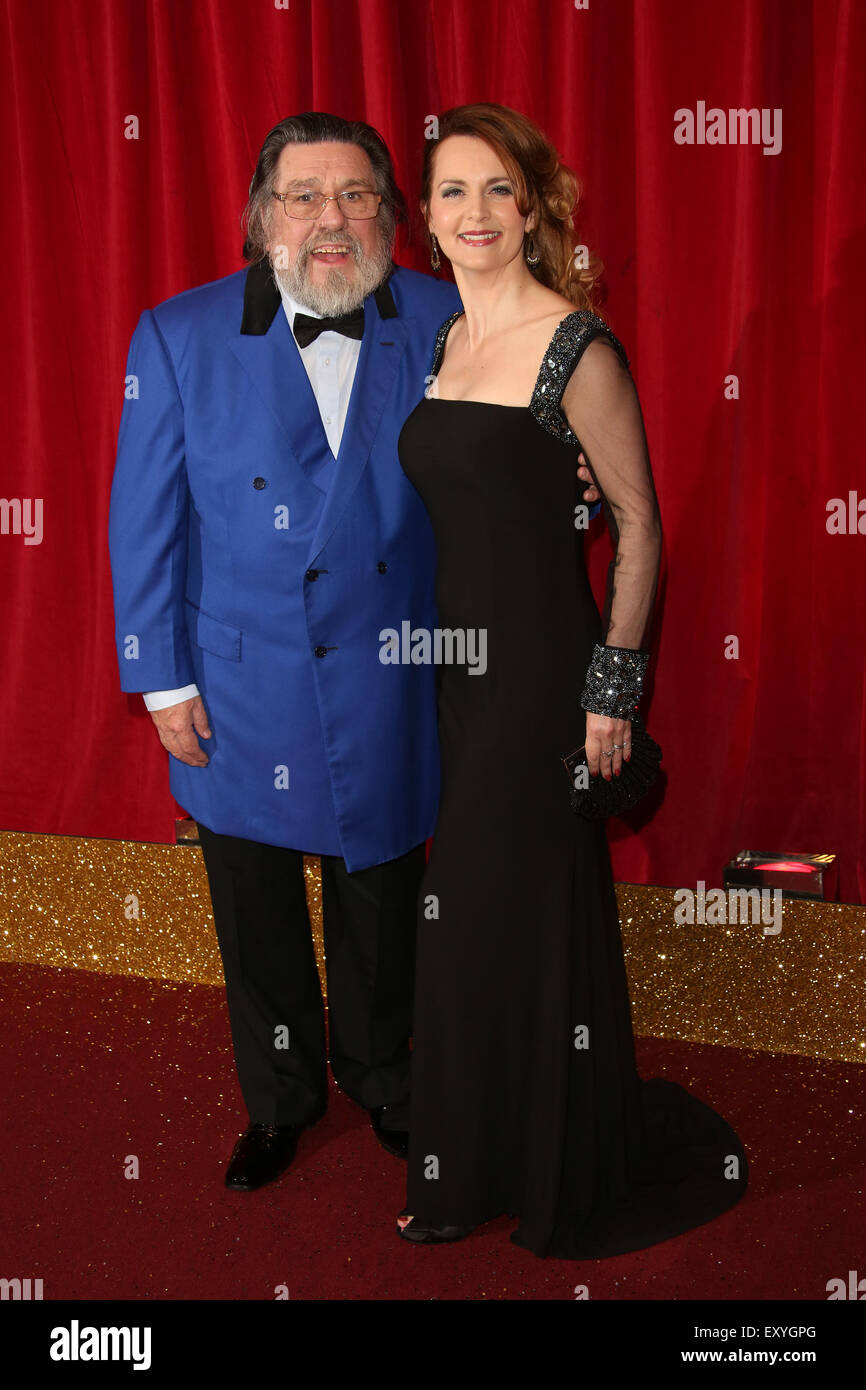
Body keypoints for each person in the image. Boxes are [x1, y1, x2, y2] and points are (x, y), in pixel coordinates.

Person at [108, 110, 606, 1194]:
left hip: (395, 663)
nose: (330, 219)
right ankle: (281, 1101)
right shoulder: (175, 336)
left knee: (382, 884)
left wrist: (564, 485)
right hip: (236, 678)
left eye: (357, 196)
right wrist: (158, 677)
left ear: (392, 215)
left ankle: (382, 1074)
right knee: (253, 899)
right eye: (303, 195)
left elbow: (511, 443)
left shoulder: (441, 315)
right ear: (260, 217)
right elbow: (142, 519)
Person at [396, 102, 749, 1257]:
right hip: (456, 668)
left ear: (535, 205)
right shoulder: (443, 343)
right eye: (453, 191)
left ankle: (532, 1168)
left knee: (496, 911)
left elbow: (638, 525)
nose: (476, 212)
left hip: (543, 670)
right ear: (428, 219)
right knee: (486, 913)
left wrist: (610, 691)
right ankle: (486, 1153)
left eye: (498, 188)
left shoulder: (574, 346)